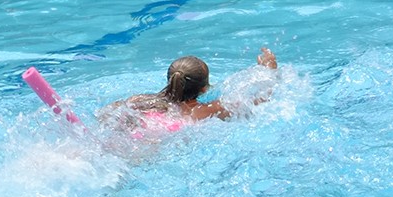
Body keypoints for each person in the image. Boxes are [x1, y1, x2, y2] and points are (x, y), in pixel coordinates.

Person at [101, 49, 280, 133]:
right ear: (204, 88)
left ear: (170, 80)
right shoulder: (206, 111)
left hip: (135, 135)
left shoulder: (140, 100)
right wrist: (270, 71)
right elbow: (259, 101)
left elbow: (107, 113)